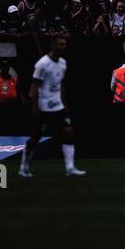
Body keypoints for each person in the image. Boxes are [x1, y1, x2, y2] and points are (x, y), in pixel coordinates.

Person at [22, 35, 83, 176]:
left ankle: (70, 168)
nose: (64, 47)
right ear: (53, 45)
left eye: (65, 44)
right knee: (35, 137)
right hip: (43, 106)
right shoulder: (42, 64)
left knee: (68, 133)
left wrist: (64, 103)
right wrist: (35, 107)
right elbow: (35, 87)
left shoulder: (63, 63)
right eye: (61, 44)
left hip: (58, 106)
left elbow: (61, 84)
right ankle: (24, 166)